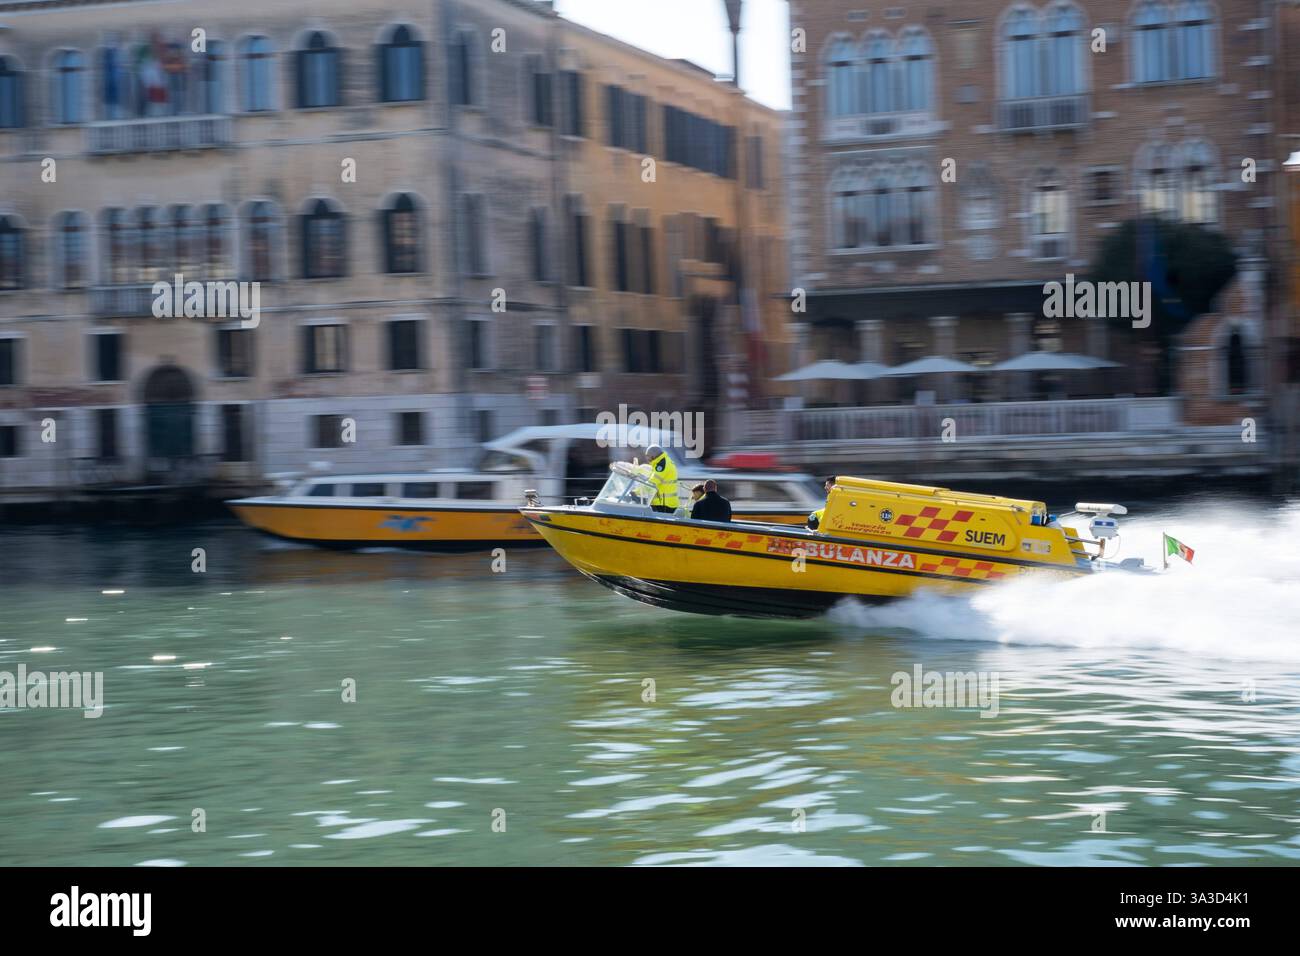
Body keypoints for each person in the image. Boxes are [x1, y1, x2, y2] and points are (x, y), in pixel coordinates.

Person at [643, 444, 679, 514]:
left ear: (653, 456)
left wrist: (636, 492)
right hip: (665, 503)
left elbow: (652, 483)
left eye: (648, 456)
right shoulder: (662, 462)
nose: (647, 459)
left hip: (664, 505)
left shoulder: (662, 466)